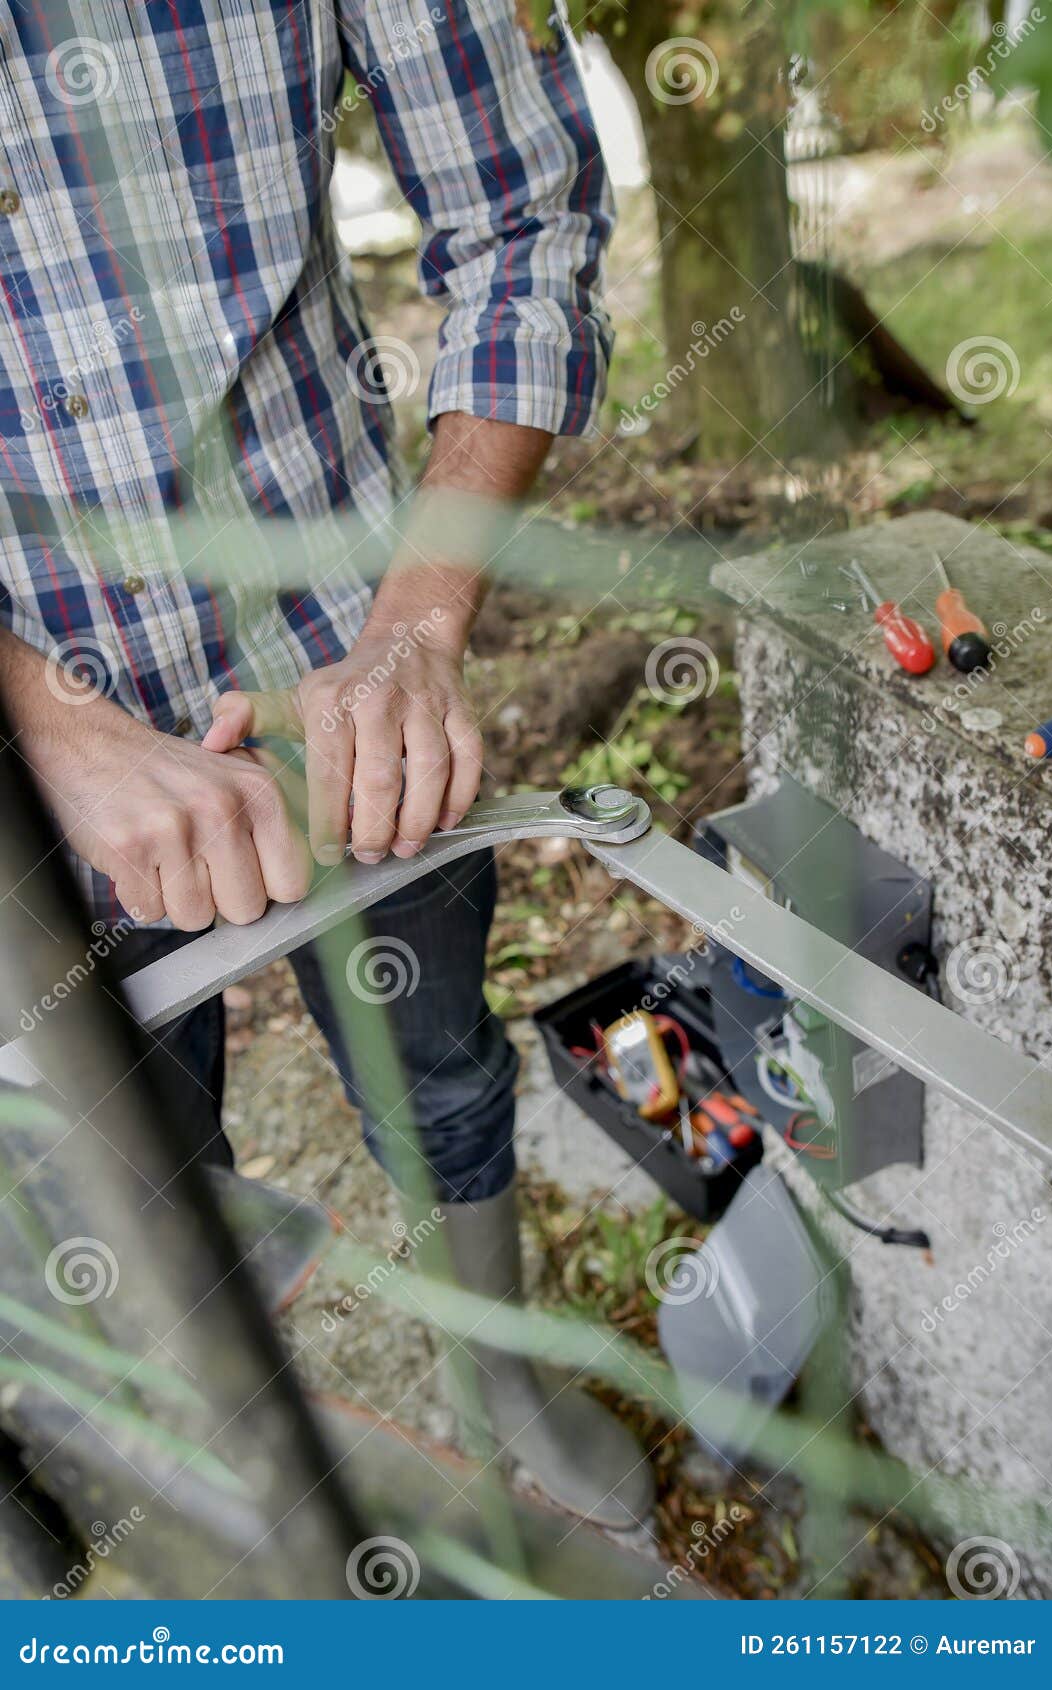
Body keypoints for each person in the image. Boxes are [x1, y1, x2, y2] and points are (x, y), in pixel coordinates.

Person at [0, 3, 652, 1528]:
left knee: (432, 1057)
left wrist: (414, 628)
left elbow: (522, 221)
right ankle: (246, 1469)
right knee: (130, 1157)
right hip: (26, 740)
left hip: (336, 638)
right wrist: (46, 721)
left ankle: (496, 1381)